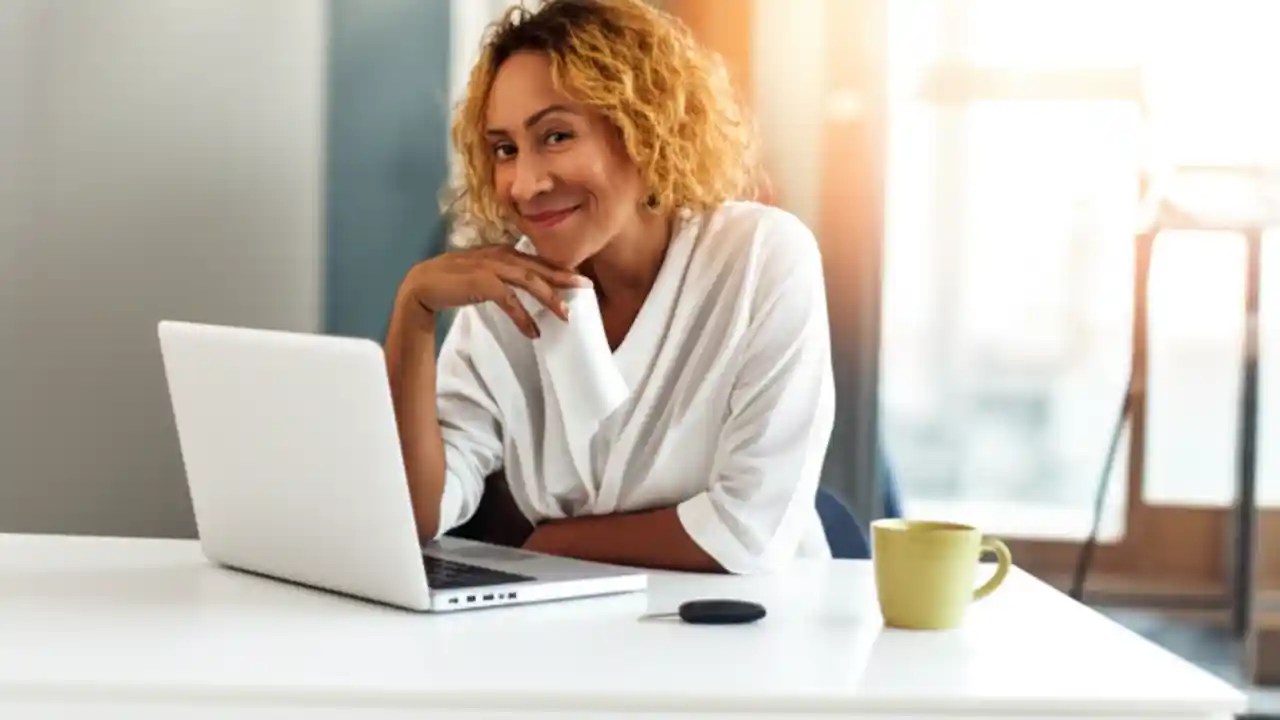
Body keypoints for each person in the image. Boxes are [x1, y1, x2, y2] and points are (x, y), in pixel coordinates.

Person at [384, 0, 834, 574]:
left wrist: (552, 545)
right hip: (577, 628)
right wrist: (413, 312)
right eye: (505, 149)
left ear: (643, 128)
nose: (524, 184)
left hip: (749, 626)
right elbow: (416, 513)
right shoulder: (502, 295)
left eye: (556, 136)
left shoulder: (761, 258)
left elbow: (746, 533)